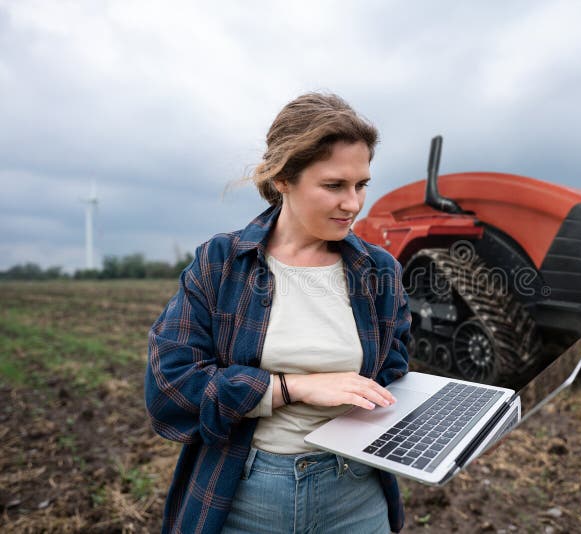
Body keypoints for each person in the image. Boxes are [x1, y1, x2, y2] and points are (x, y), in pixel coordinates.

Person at [145, 92, 411, 533]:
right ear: (284, 179)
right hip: (245, 498)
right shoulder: (221, 262)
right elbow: (171, 389)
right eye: (334, 186)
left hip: (356, 497)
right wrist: (296, 388)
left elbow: (394, 370)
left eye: (361, 184)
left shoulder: (379, 271)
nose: (354, 204)